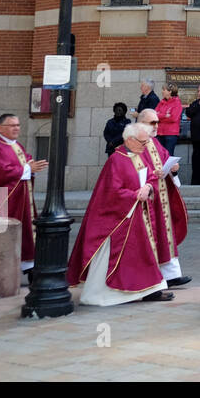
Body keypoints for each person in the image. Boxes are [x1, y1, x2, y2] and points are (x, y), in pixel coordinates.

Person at [67, 124, 173, 306]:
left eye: (147, 141)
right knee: (128, 257)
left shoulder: (139, 155)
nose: (145, 145)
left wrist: (148, 187)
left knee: (145, 255)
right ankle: (118, 293)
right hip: (120, 219)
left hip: (141, 216)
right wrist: (134, 195)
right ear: (129, 140)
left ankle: (151, 290)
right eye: (142, 142)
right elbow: (111, 192)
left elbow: (151, 177)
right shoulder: (116, 160)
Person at [0, 113, 47, 277]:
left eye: (18, 125)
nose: (17, 128)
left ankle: (29, 266)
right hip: (3, 201)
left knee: (26, 232)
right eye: (12, 125)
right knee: (3, 235)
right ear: (1, 128)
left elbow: (24, 161)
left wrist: (31, 166)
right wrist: (28, 169)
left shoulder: (16, 145)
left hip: (21, 199)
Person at [134, 106, 190, 287]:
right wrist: (153, 174)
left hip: (162, 196)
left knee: (166, 236)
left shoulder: (155, 142)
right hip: (149, 198)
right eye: (153, 122)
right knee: (156, 236)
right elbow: (134, 168)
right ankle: (155, 276)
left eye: (158, 122)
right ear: (141, 123)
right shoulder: (135, 142)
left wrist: (173, 169)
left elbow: (164, 160)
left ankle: (172, 275)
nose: (157, 126)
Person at [154, 83, 182, 154]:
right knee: (159, 156)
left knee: (168, 156)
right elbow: (154, 115)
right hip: (159, 133)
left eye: (164, 90)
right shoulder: (161, 102)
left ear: (170, 91)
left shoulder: (177, 103)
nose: (162, 91)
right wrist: (165, 115)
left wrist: (160, 116)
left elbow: (173, 118)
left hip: (170, 134)